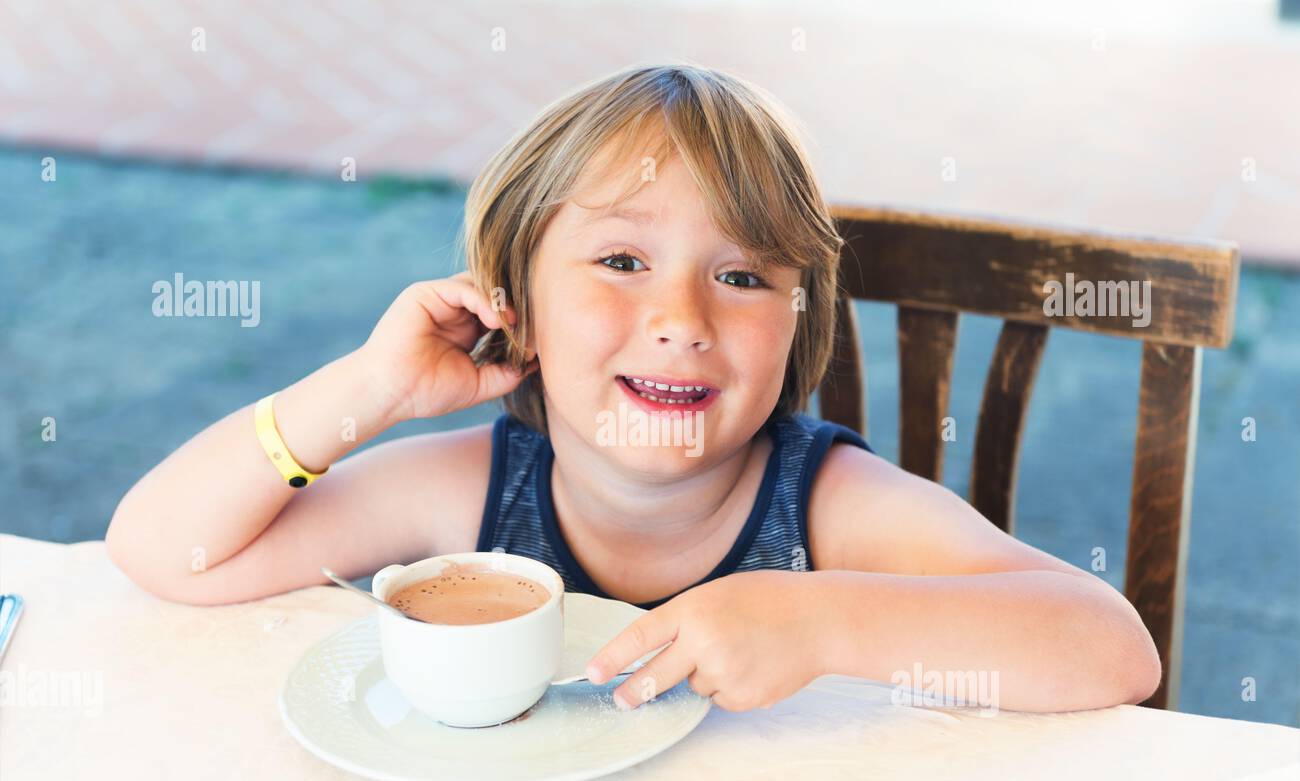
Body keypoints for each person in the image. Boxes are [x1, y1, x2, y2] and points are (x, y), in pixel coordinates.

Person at [107, 64, 1160, 714]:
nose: (681, 319)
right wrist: (364, 390)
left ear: (799, 326)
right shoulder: (468, 489)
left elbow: (1109, 649)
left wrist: (819, 620)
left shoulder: (825, 505)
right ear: (513, 296)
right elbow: (165, 551)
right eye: (620, 262)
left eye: (742, 277)